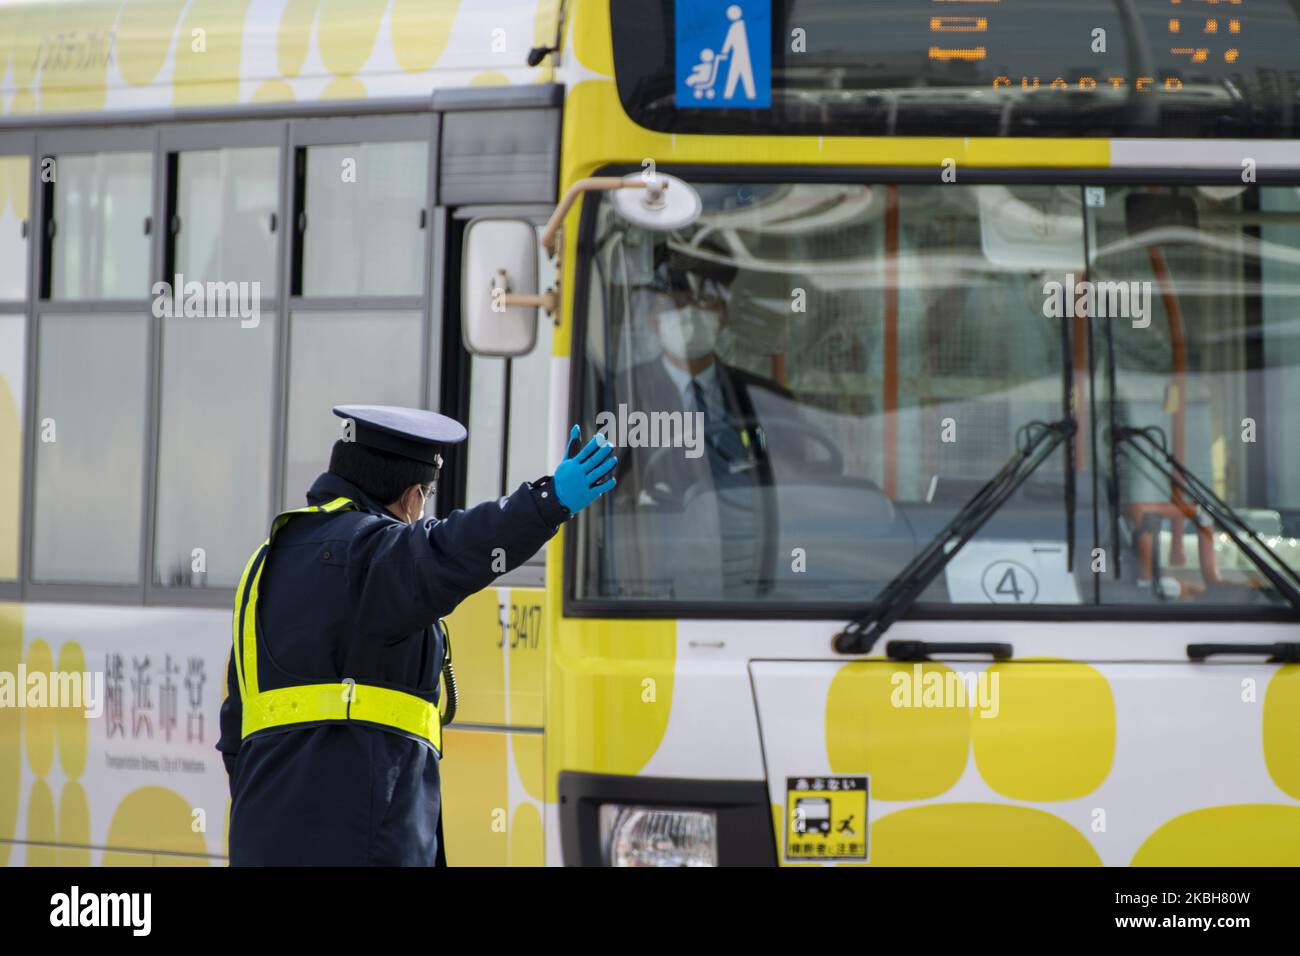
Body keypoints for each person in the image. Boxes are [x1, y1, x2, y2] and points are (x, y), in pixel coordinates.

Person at [217, 405, 615, 866]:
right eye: (425, 499)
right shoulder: (370, 554)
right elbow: (453, 548)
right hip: (365, 848)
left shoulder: (264, 565)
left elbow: (235, 735)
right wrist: (548, 501)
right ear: (411, 498)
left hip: (262, 842)